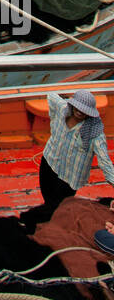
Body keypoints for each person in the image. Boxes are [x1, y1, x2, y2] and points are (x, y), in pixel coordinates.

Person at [29, 90, 114, 227]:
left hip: (69, 177)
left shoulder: (94, 133)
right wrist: (53, 123)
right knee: (48, 201)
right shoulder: (62, 108)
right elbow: (51, 96)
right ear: (72, 105)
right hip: (49, 162)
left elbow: (105, 162)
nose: (80, 112)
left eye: (84, 110)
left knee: (58, 207)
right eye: (78, 107)